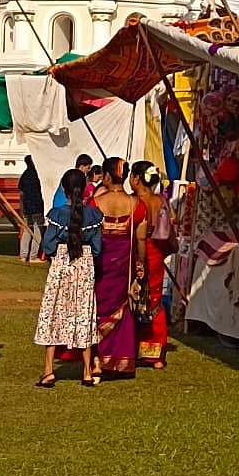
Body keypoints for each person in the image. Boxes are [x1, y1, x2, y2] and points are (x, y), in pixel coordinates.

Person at [35, 168, 102, 387]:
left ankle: (48, 370)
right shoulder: (94, 215)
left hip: (62, 265)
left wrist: (60, 249)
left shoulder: (57, 214)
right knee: (84, 314)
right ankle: (87, 371)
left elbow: (47, 245)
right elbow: (98, 248)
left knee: (54, 312)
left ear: (64, 190)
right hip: (85, 265)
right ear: (84, 189)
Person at [92, 156, 140, 377]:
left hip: (101, 263)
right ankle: (119, 360)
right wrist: (140, 266)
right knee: (121, 309)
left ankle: (97, 358)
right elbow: (140, 240)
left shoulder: (96, 203)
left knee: (98, 308)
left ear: (107, 176)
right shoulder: (135, 204)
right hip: (124, 265)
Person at [130, 161, 172, 370]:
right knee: (154, 300)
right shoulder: (161, 201)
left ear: (136, 179)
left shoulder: (136, 203)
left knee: (136, 299)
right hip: (157, 252)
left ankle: (137, 348)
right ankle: (156, 354)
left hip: (139, 251)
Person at [17, 155, 44, 263]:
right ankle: (33, 255)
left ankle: (23, 255)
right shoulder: (37, 175)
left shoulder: (24, 175)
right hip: (36, 205)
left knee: (27, 230)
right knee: (37, 230)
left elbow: (21, 193)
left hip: (27, 206)